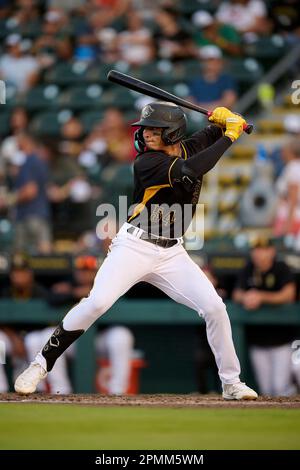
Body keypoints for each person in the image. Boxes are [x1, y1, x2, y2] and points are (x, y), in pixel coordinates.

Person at [15, 103, 258, 400]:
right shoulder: (147, 162)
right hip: (135, 245)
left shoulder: (188, 146)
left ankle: (231, 382)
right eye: (146, 129)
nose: (147, 134)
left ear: (174, 133)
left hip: (172, 252)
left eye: (156, 129)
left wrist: (224, 119)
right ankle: (40, 364)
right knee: (97, 303)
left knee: (215, 308)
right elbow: (192, 169)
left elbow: (210, 134)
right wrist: (230, 136)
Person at [233, 238, 296, 396]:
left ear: (272, 251)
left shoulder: (280, 268)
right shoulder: (249, 268)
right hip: (258, 341)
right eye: (256, 250)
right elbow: (236, 294)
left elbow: (289, 295)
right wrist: (247, 297)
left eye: (264, 249)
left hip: (281, 340)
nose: (259, 254)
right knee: (266, 390)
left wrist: (261, 296)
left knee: (280, 388)